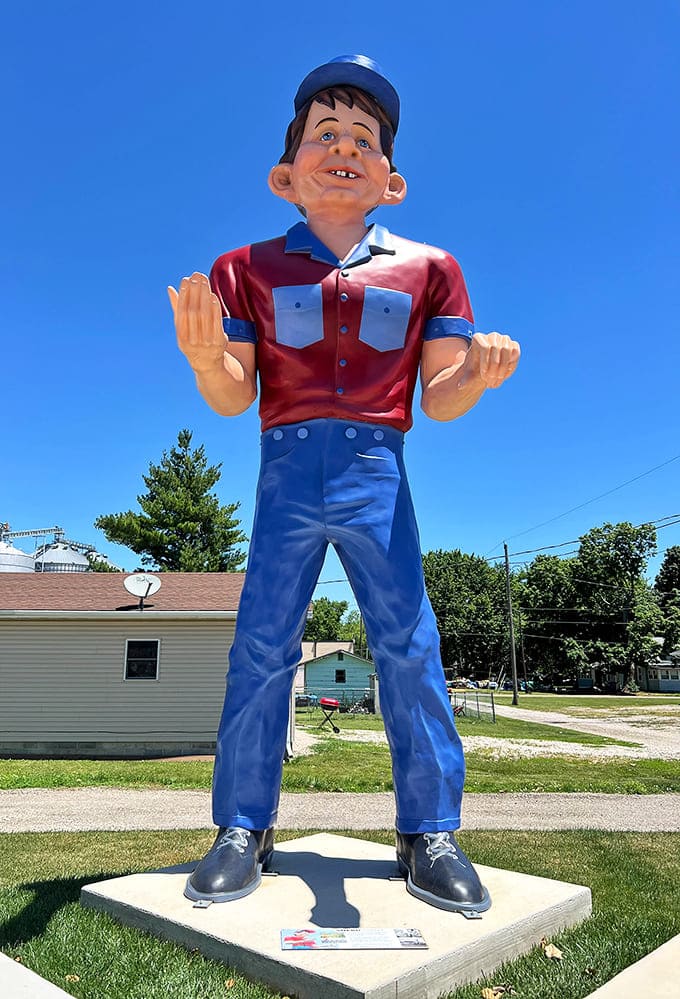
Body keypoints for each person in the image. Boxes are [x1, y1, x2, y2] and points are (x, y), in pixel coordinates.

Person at [169, 54, 520, 914]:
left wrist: (472, 374)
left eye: (363, 138)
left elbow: (438, 400)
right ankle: (242, 826)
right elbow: (234, 394)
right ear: (285, 175)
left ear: (391, 182)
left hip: (377, 469)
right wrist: (209, 358)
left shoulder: (431, 268)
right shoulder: (243, 267)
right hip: (285, 468)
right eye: (325, 133)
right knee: (261, 645)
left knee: (407, 643)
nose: (344, 147)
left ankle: (430, 830)